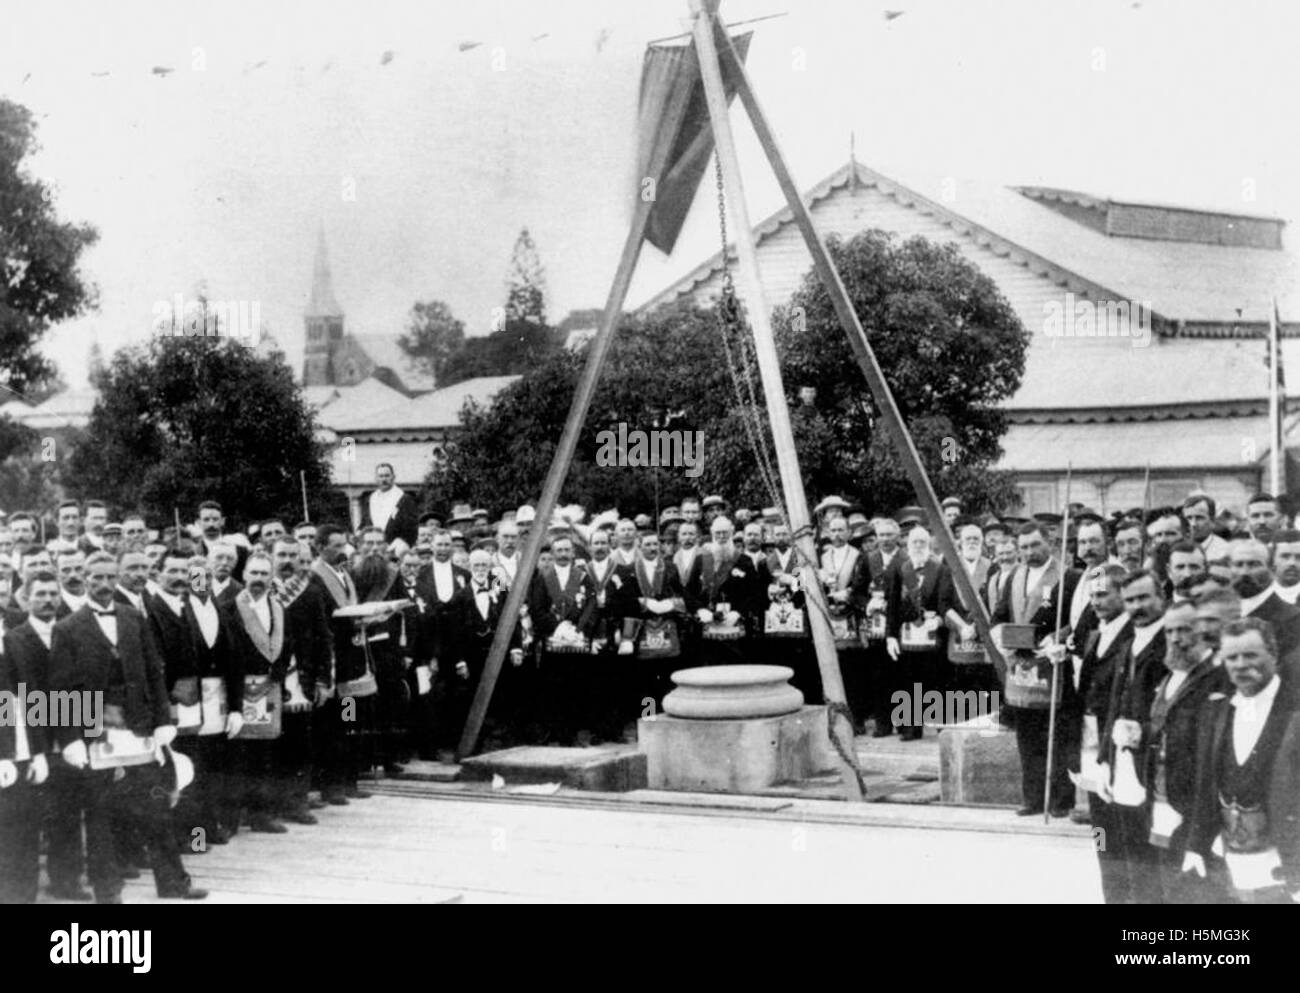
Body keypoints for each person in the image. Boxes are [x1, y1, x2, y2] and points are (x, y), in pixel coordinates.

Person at [49, 552, 205, 902]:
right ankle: (108, 892)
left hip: (140, 730)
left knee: (156, 809)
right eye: (96, 577)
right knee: (101, 817)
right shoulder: (68, 628)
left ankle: (174, 885)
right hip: (98, 733)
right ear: (86, 579)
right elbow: (60, 689)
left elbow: (153, 672)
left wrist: (163, 721)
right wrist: (72, 740)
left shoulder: (134, 618)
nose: (103, 585)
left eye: (109, 577)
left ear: (116, 577)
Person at [1184, 618, 1300, 904]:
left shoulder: (1294, 709)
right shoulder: (1218, 711)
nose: (1240, 664)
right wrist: (1196, 846)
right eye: (1232, 657)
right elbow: (1206, 785)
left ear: (1273, 654)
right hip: (1233, 858)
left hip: (1286, 861)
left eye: (1250, 655)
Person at [1142, 600, 1230, 903]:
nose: (1176, 638)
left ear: (1202, 630)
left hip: (1195, 814)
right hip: (1160, 807)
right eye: (1170, 631)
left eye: (1184, 629)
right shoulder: (1169, 675)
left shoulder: (1219, 679)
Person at [992, 522, 1081, 815]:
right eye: (1024, 547)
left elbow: (1079, 620)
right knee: (1027, 736)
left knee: (1055, 735)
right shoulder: (1014, 576)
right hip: (1020, 666)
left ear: (1050, 543)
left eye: (1035, 545)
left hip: (1052, 665)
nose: (1029, 552)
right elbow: (1000, 615)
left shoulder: (1069, 577)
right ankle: (1032, 798)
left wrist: (1059, 638)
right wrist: (1000, 636)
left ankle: (1059, 800)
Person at [1096, 569, 1168, 904]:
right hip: (1121, 761)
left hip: (1155, 766)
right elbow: (1114, 703)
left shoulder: (1171, 640)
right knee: (1122, 846)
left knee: (1153, 858)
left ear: (1161, 597)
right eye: (1130, 600)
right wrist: (1104, 759)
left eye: (1144, 597)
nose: (1137, 606)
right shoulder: (1127, 645)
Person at [222, 552, 298, 834]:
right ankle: (230, 820)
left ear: (271, 577)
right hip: (239, 686)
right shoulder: (229, 608)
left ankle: (260, 815)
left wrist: (278, 672)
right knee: (236, 756)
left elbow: (287, 642)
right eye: (253, 573)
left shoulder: (279, 607)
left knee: (265, 754)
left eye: (264, 574)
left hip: (269, 687)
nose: (258, 579)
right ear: (243, 575)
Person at [0, 572, 56, 903]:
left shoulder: (17, 633)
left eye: (3, 582)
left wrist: (37, 751)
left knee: (23, 828)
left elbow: (29, 695)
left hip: (21, 742)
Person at [529, 534, 597, 745]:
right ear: (552, 553)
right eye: (559, 550)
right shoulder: (543, 577)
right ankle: (557, 733)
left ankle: (573, 735)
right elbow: (537, 609)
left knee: (576, 689)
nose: (563, 554)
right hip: (554, 641)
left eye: (567, 550)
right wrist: (558, 626)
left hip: (576, 641)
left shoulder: (583, 576)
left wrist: (578, 629)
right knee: (553, 690)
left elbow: (591, 606)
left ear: (573, 552)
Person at [452, 549, 523, 751]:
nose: (481, 569)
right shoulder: (461, 596)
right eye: (476, 566)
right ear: (469, 568)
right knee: (474, 698)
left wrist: (516, 648)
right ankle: (477, 744)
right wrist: (460, 661)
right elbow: (455, 633)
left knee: (502, 697)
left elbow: (513, 617)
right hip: (473, 656)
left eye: (484, 565)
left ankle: (503, 744)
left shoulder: (498, 587)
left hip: (498, 653)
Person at [362, 463, 419, 549]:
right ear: (376, 478)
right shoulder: (371, 499)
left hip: (396, 546)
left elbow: (411, 528)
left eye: (387, 476)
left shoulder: (404, 498)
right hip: (373, 546)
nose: (384, 479)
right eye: (381, 476)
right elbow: (365, 522)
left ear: (393, 477)